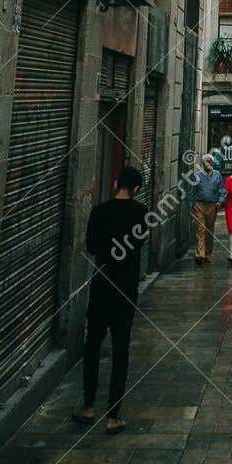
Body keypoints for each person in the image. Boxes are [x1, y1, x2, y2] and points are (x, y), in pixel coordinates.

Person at [75, 165, 149, 434]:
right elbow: (137, 246)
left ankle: (88, 406)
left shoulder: (98, 211)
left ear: (116, 182)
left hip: (101, 286)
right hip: (125, 288)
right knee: (121, 351)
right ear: (137, 188)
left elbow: (92, 247)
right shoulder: (142, 213)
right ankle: (113, 415)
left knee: (92, 345)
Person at [188, 153, 226, 265]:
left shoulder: (217, 174)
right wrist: (191, 205)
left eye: (211, 161)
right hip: (199, 205)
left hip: (212, 206)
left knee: (209, 230)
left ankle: (208, 254)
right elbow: (192, 191)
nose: (210, 163)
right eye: (207, 161)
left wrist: (221, 200)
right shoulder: (198, 175)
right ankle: (200, 254)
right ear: (203, 163)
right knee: (201, 229)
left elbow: (222, 190)